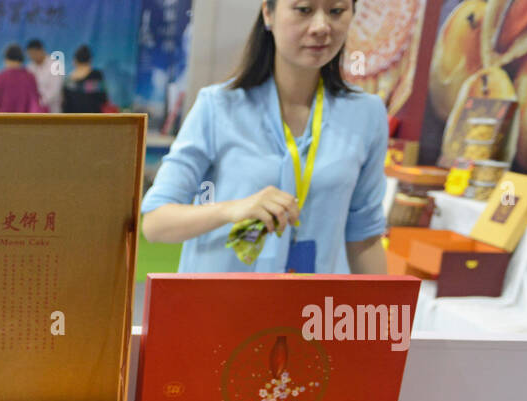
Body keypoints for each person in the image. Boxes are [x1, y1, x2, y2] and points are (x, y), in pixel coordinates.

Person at [140, 0, 387, 275]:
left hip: (309, 310)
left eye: (336, 11)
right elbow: (155, 222)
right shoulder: (218, 107)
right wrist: (232, 209)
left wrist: (386, 317)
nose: (321, 27)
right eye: (304, 10)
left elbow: (364, 238)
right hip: (221, 305)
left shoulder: (367, 115)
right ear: (268, 13)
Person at [0, 44, 44, 113]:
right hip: (26, 119)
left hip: (5, 119)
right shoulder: (29, 76)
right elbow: (36, 99)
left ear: (6, 59)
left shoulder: (1, 77)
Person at [62, 45, 107, 113]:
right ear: (90, 60)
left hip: (73, 120)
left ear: (75, 61)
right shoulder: (96, 75)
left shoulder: (68, 81)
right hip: (94, 120)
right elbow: (103, 99)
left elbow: (65, 106)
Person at [26, 39, 62, 114]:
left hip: (52, 109)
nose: (32, 57)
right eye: (30, 54)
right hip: (34, 110)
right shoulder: (30, 67)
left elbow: (55, 90)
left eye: (34, 54)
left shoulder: (55, 65)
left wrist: (40, 103)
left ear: (41, 51)